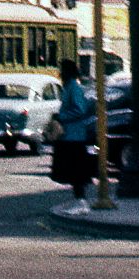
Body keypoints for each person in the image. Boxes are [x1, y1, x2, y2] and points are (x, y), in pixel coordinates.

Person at [50, 59, 96, 215]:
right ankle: (78, 200)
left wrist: (61, 117)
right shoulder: (69, 87)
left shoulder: (73, 88)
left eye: (61, 69)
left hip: (73, 136)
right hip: (70, 136)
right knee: (73, 171)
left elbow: (79, 110)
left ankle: (81, 201)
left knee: (76, 171)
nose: (60, 73)